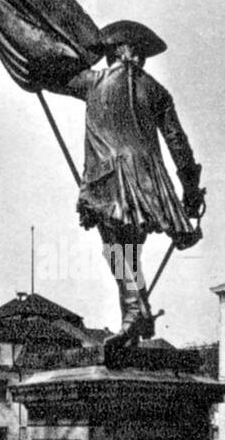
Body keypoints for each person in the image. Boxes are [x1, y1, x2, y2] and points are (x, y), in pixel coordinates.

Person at [50, 20, 206, 348]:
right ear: (138, 54)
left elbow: (54, 78)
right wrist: (190, 191)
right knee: (129, 248)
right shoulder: (157, 91)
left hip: (107, 180)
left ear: (117, 51)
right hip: (149, 182)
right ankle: (137, 311)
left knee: (116, 248)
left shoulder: (93, 82)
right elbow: (178, 143)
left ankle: (135, 309)